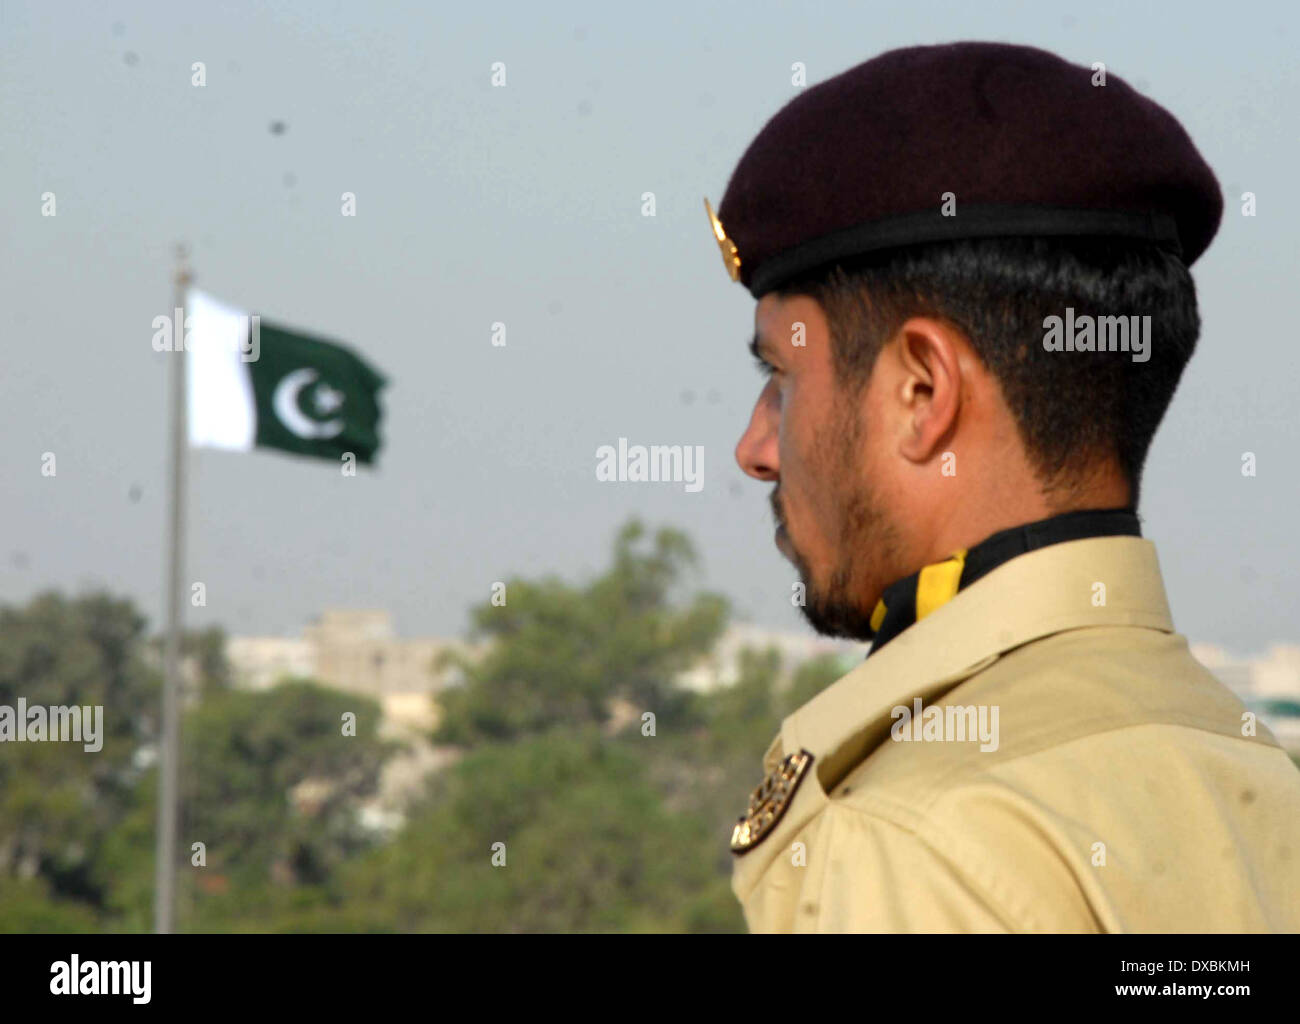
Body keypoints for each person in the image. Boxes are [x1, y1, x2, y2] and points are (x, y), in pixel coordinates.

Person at [707, 41, 1300, 932]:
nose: (756, 446)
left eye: (782, 380)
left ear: (921, 393)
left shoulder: (910, 836)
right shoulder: (1253, 771)